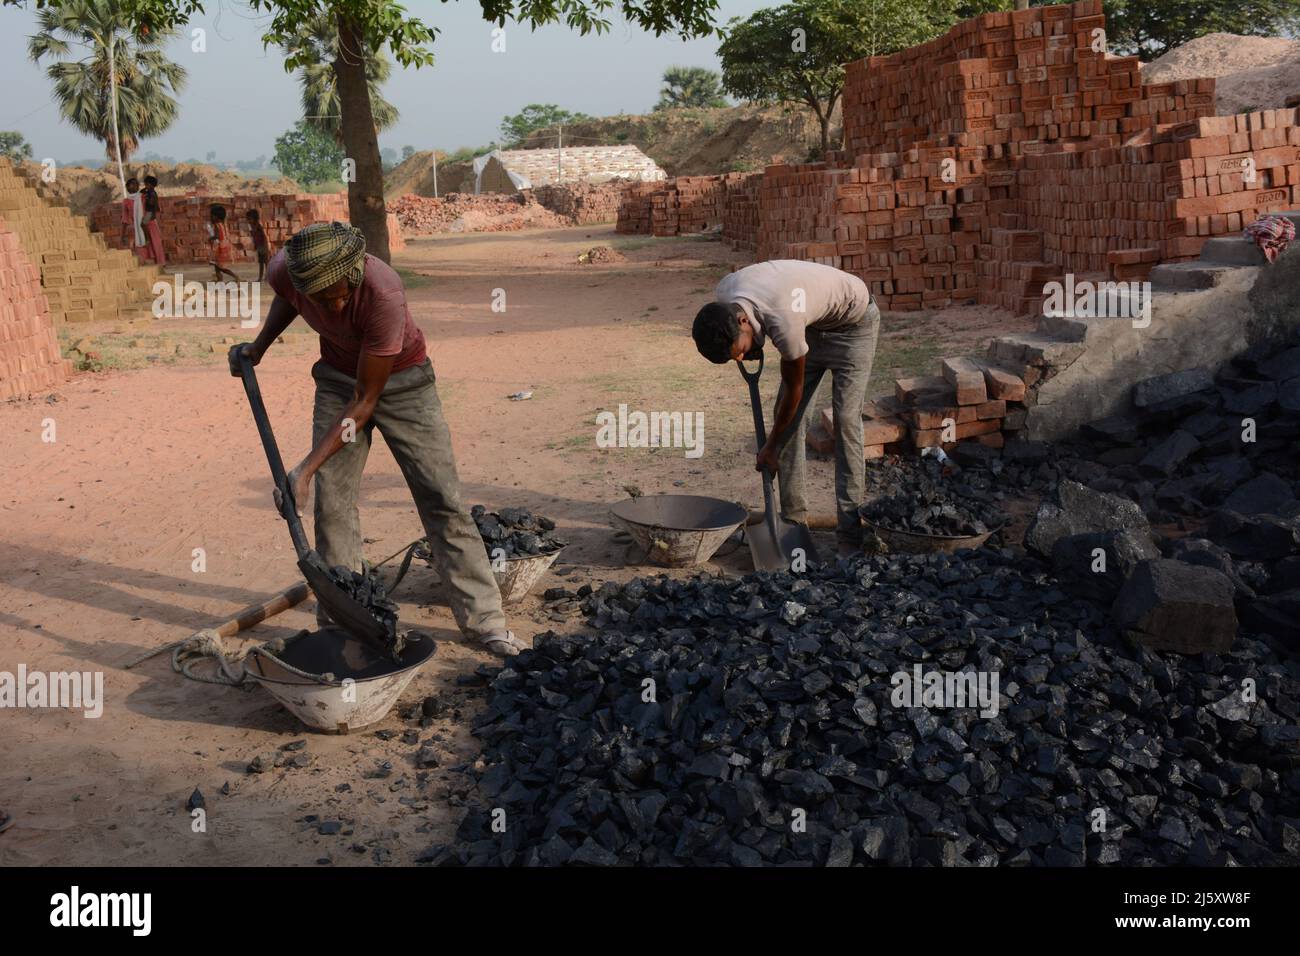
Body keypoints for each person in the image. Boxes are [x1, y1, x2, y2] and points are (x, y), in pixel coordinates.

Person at [228, 221, 522, 657]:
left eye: (342, 292)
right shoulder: (286, 272)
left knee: (441, 497)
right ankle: (346, 623)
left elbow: (365, 403)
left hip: (403, 385)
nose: (337, 304)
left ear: (355, 271)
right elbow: (289, 299)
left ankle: (484, 621)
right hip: (337, 380)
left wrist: (304, 469)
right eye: (323, 299)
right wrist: (260, 345)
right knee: (333, 502)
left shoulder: (383, 293)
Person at [692, 260, 881, 555]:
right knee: (790, 422)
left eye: (739, 350)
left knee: (845, 420)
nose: (742, 358)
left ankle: (850, 532)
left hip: (854, 325)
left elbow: (795, 389)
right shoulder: (725, 295)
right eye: (736, 357)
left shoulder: (782, 318)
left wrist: (772, 446)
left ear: (743, 321)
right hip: (812, 323)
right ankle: (794, 523)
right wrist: (777, 440)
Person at [207, 204, 239, 284]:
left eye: (212, 216)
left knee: (220, 267)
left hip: (220, 248)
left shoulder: (217, 225)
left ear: (216, 217)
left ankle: (235, 276)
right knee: (216, 267)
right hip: (223, 246)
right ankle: (219, 281)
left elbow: (217, 236)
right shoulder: (223, 224)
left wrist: (211, 238)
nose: (210, 217)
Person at [119, 177, 147, 261]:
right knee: (134, 248)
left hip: (140, 227)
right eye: (132, 185)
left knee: (139, 247)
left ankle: (140, 262)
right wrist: (122, 236)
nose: (134, 187)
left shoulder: (142, 198)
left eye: (135, 185)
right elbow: (124, 219)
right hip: (135, 228)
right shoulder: (127, 201)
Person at [140, 175, 166, 265]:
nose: (145, 186)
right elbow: (142, 191)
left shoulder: (152, 193)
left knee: (142, 224)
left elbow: (152, 203)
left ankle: (146, 238)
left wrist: (147, 198)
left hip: (150, 213)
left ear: (150, 184)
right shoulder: (149, 191)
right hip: (150, 213)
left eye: (146, 184)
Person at [245, 208, 271, 282]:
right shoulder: (252, 227)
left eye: (250, 219)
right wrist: (255, 245)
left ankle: (267, 276)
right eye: (248, 219)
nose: (248, 221)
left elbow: (264, 236)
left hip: (263, 245)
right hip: (259, 246)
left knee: (266, 262)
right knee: (261, 263)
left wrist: (266, 246)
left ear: (254, 218)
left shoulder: (259, 226)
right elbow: (254, 237)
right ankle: (260, 277)